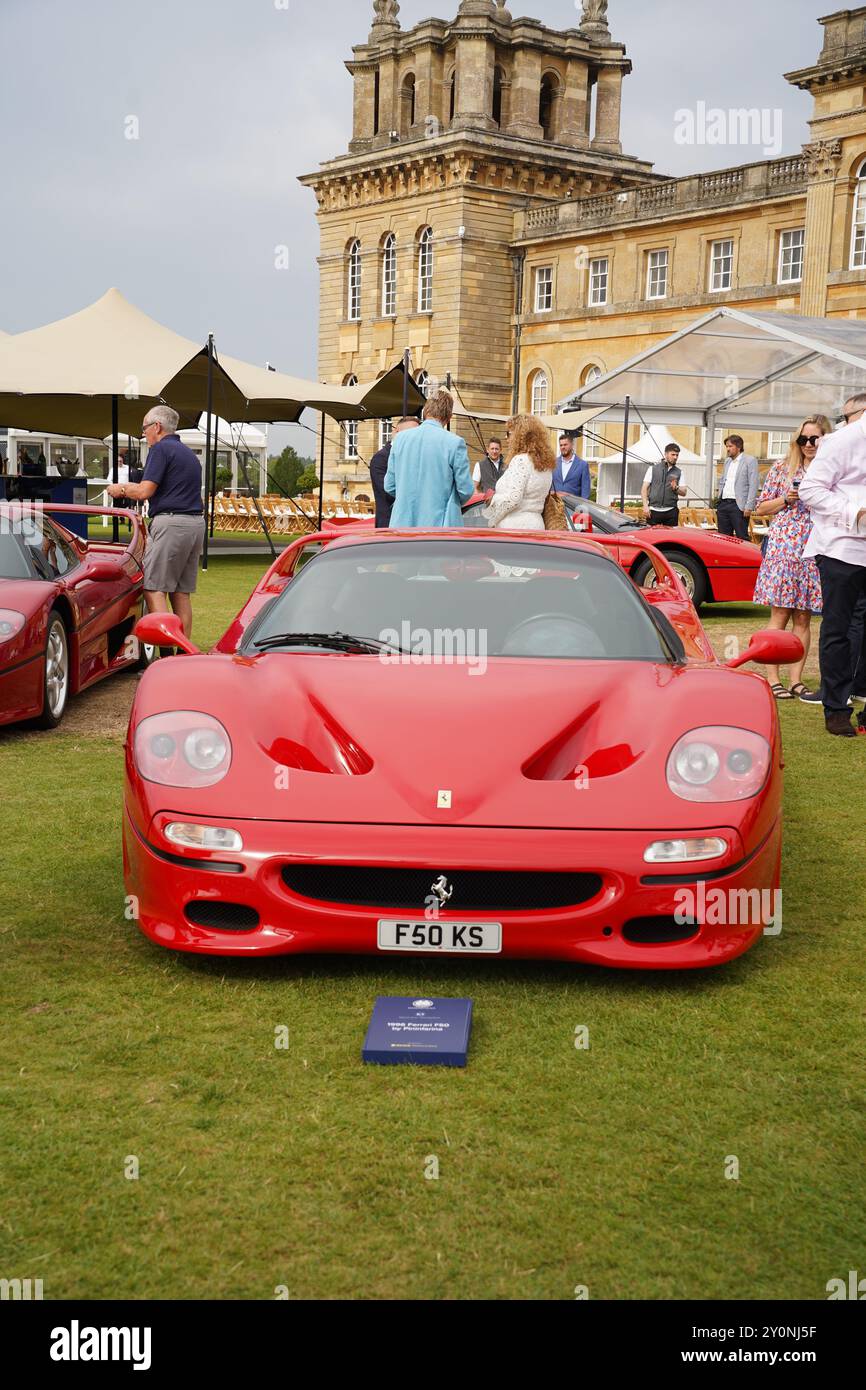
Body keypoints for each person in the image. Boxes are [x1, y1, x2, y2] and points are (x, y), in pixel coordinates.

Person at [798, 393, 866, 737]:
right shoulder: (843, 441)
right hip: (842, 548)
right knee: (838, 629)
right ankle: (836, 708)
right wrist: (854, 511)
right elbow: (810, 489)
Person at [107, 405, 204, 640]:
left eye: (144, 429)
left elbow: (144, 491)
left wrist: (119, 489)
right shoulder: (189, 454)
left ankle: (167, 651)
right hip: (195, 524)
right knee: (181, 593)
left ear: (157, 427)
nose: (144, 434)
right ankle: (183, 653)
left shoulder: (160, 450)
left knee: (154, 588)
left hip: (171, 524)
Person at [752, 418, 828, 702]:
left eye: (815, 439)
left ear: (825, 440)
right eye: (803, 440)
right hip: (785, 547)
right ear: (797, 442)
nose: (808, 445)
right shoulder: (782, 469)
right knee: (780, 613)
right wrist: (787, 498)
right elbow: (760, 508)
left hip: (816, 547)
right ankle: (773, 678)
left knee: (804, 615)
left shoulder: (829, 471)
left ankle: (796, 681)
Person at [384, 390, 474, 527]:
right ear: (449, 417)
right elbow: (465, 490)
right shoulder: (454, 443)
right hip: (439, 526)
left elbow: (389, 486)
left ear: (425, 412)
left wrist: (407, 497)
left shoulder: (400, 439)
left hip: (402, 524)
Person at [482, 414, 555, 531]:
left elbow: (514, 498)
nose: (506, 438)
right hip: (536, 525)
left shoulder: (521, 460)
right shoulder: (544, 465)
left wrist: (493, 499)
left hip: (514, 528)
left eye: (509, 434)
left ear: (520, 436)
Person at [370, 418, 419, 527]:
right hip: (389, 524)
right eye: (409, 433)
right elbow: (387, 493)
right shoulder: (381, 458)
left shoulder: (413, 457)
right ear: (396, 432)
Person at [716, 435, 759, 540]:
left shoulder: (750, 460)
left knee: (742, 538)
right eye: (726, 446)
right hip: (723, 504)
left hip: (739, 506)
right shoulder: (727, 461)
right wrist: (719, 498)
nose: (727, 449)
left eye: (730, 446)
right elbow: (722, 480)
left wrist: (749, 506)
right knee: (723, 538)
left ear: (738, 447)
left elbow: (753, 484)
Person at [641, 443, 686, 526]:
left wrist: (676, 488)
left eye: (677, 455)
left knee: (671, 538)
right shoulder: (652, 469)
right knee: (652, 537)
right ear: (665, 454)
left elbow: (684, 492)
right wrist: (645, 506)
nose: (675, 457)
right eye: (673, 454)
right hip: (653, 511)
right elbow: (644, 488)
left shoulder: (679, 472)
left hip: (671, 512)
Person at [552, 433, 591, 500]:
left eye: (565, 445)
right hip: (554, 506)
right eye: (561, 445)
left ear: (572, 445)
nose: (563, 447)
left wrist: (581, 508)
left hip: (572, 507)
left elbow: (585, 492)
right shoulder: (553, 463)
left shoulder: (582, 465)